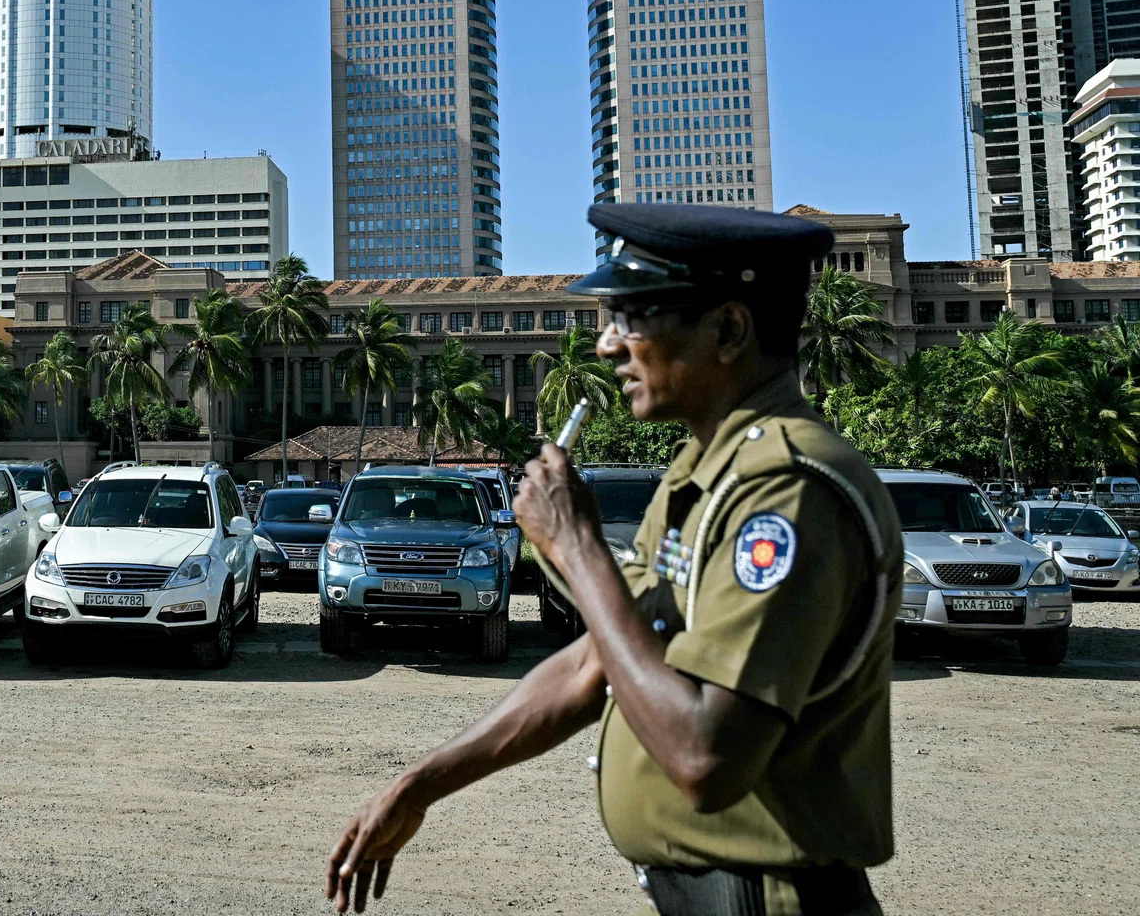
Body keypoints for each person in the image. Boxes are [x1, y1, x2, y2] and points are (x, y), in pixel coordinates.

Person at [326, 203, 902, 916]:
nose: (606, 345)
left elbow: (705, 757)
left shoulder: (784, 490)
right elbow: (595, 662)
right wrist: (419, 785)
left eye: (632, 316)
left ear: (729, 329)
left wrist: (575, 548)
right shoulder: (708, 470)